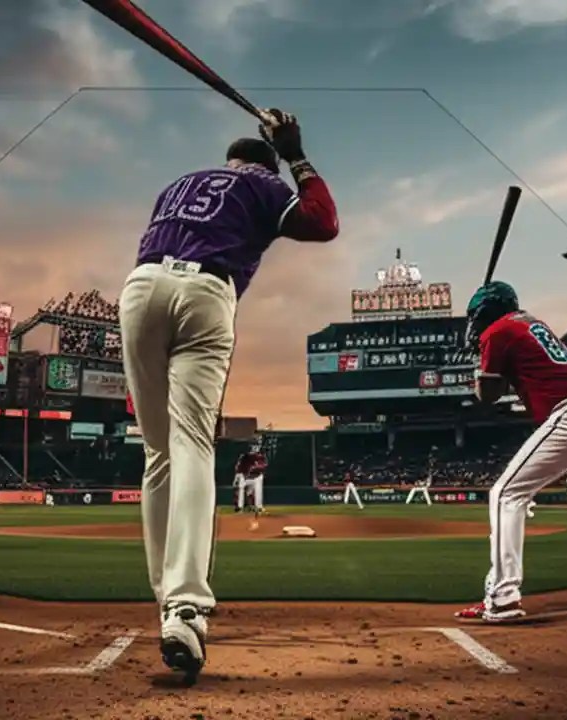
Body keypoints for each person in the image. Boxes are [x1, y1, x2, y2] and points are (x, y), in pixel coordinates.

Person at [119, 108, 339, 683]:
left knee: (158, 453)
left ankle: (165, 595)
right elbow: (322, 222)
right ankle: (184, 609)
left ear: (228, 158)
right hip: (205, 290)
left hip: (140, 288)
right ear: (263, 163)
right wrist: (296, 152)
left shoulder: (178, 184)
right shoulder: (263, 182)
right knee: (193, 445)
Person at [453, 281, 567, 623]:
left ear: (486, 311)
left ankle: (502, 598)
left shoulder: (498, 331)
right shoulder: (530, 323)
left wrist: (478, 364)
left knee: (505, 494)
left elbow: (488, 395)